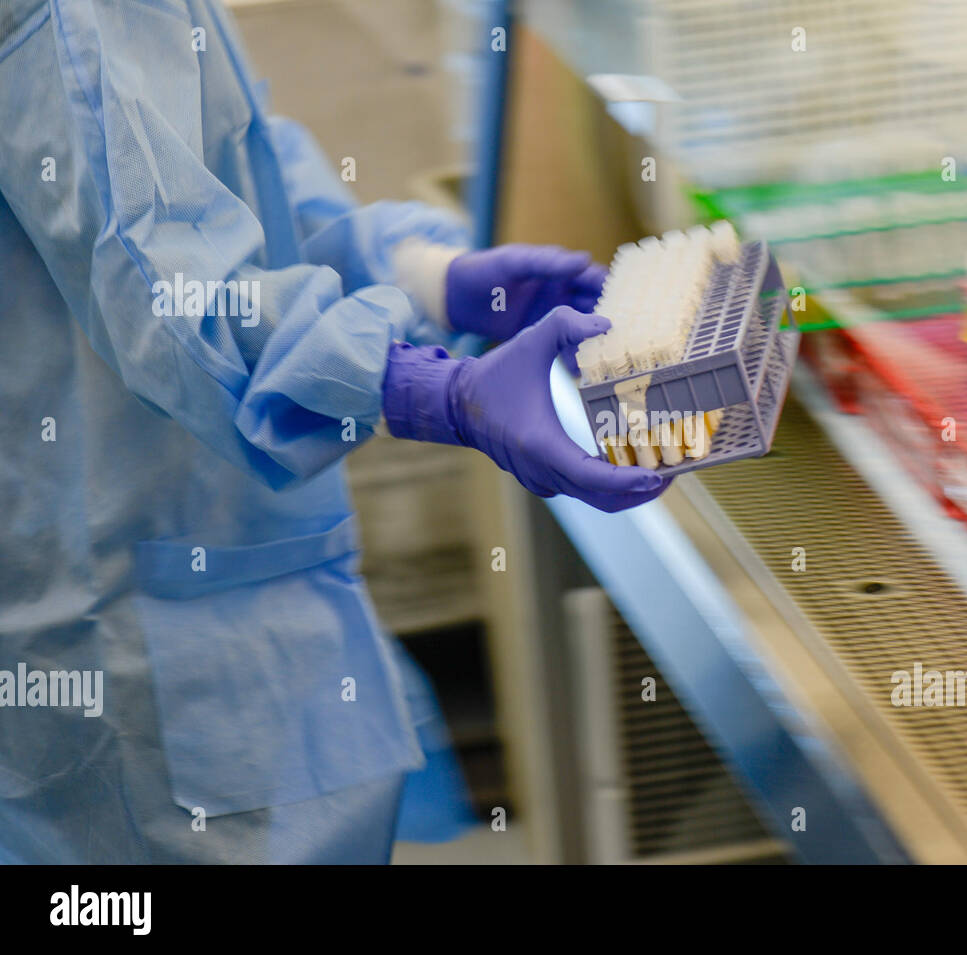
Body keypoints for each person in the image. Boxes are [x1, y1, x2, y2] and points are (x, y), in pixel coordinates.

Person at [0, 0, 664, 863]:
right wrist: (437, 389)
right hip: (141, 637)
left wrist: (427, 273)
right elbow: (181, 303)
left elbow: (232, 178)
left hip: (208, 587)